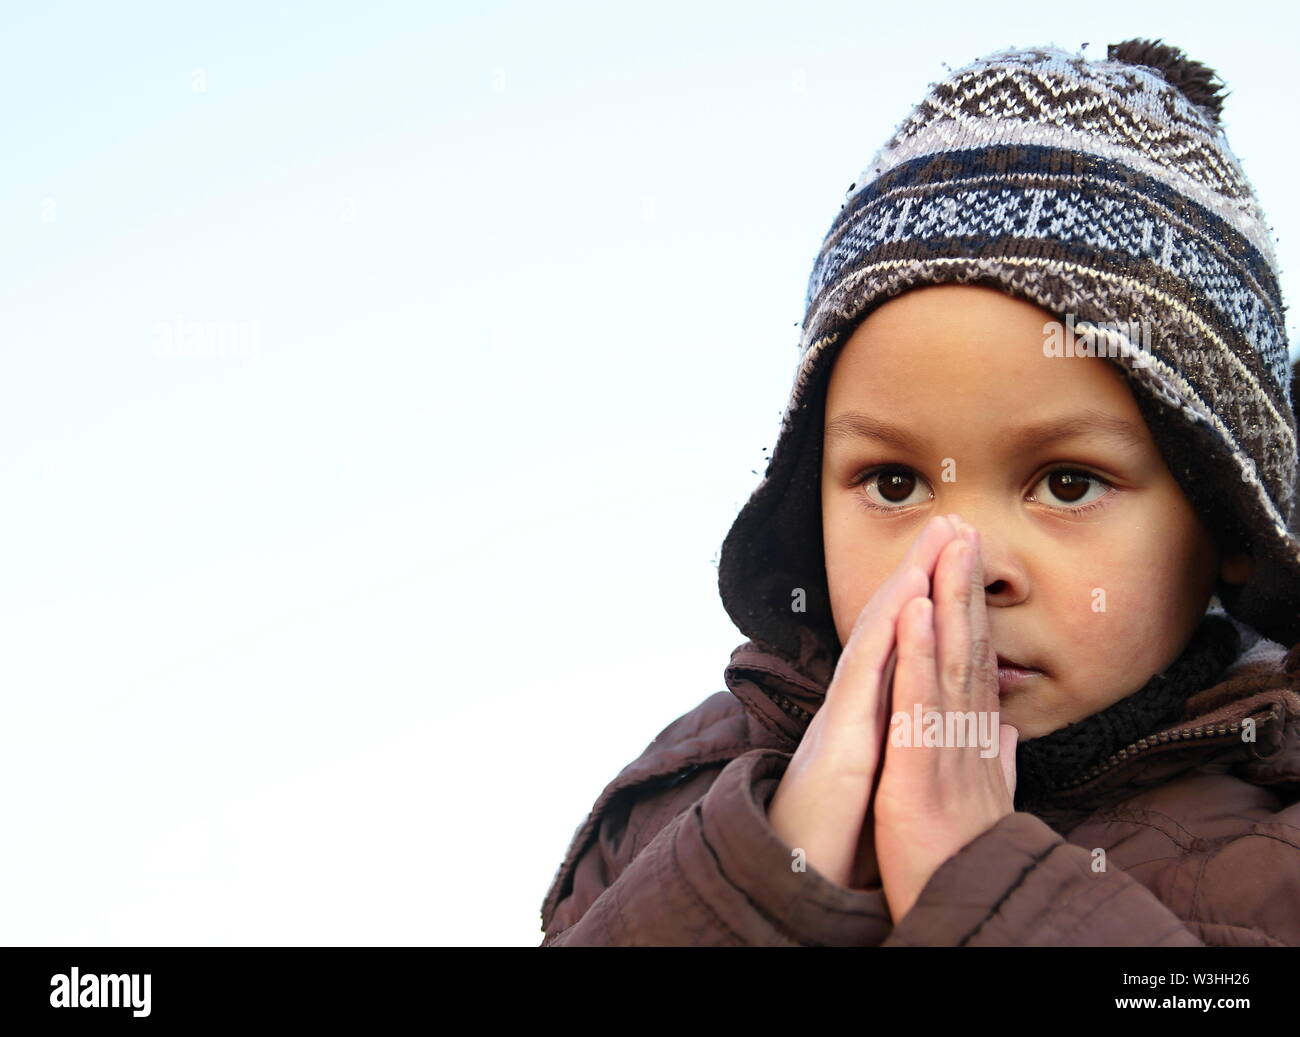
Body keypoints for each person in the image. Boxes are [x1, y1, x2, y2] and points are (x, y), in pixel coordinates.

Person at [538, 38, 1300, 946]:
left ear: (1229, 523)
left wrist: (984, 886)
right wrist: (760, 885)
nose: (961, 563)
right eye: (893, 481)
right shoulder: (688, 805)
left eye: (1066, 482)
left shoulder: (1274, 848)